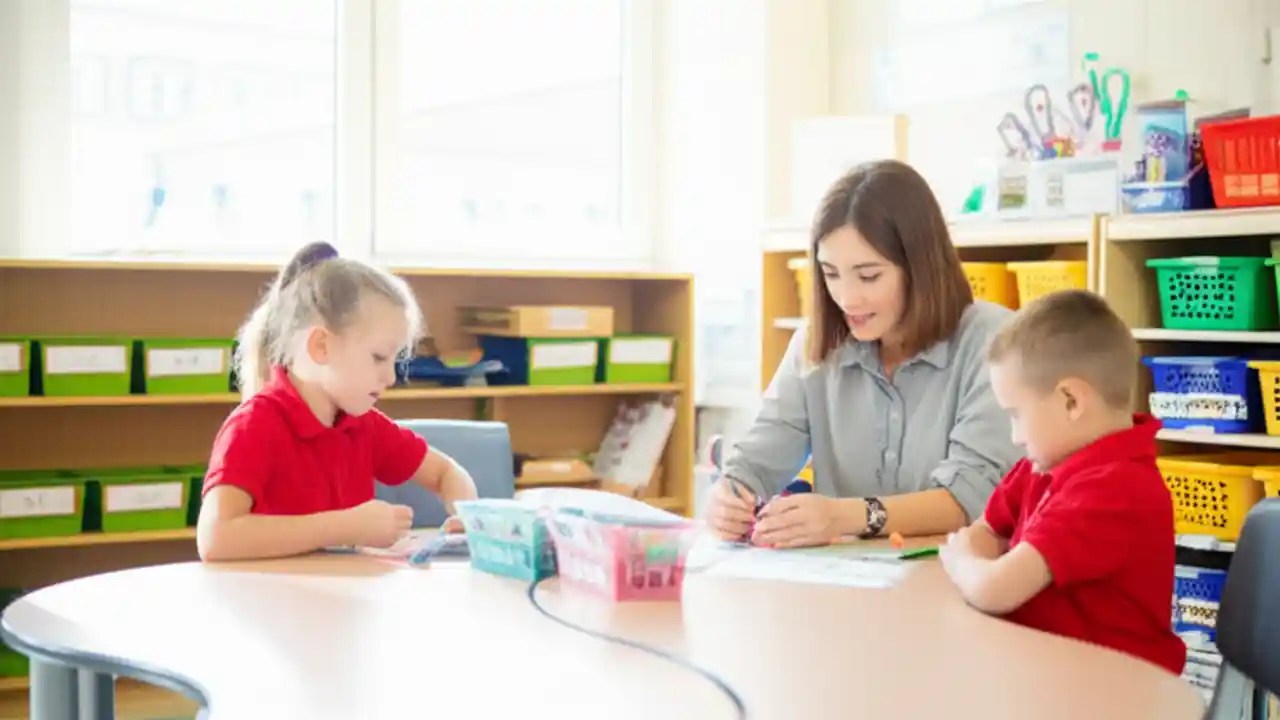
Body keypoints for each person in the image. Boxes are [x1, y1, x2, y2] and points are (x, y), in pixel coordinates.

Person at [707, 159, 1022, 548]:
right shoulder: (816, 346)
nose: (847, 298)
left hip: (952, 582)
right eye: (830, 273)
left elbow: (971, 498)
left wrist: (842, 516)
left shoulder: (995, 343)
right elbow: (757, 459)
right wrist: (728, 497)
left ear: (919, 267)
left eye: (869, 276)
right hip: (847, 585)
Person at [939, 289, 1185, 676]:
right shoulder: (1044, 463)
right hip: (1052, 672)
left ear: (1071, 400)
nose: (1015, 436)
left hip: (1117, 694)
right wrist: (980, 558)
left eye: (1016, 414)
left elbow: (993, 589)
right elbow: (989, 530)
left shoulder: (1114, 490)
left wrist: (962, 561)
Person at [196, 242, 479, 562]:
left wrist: (464, 518)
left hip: (341, 601)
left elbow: (447, 473)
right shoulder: (254, 425)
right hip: (273, 605)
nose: (390, 378)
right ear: (321, 346)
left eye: (394, 361)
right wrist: (343, 527)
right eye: (378, 357)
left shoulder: (362, 424)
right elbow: (215, 538)